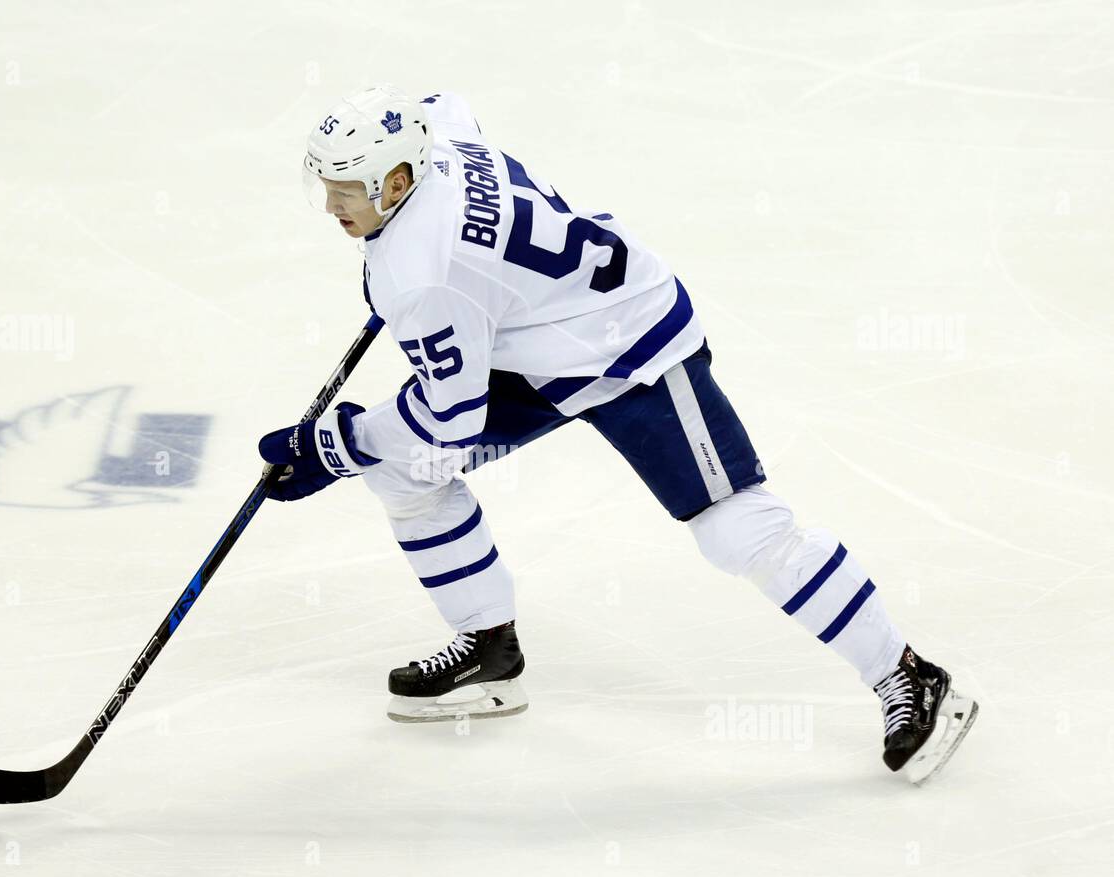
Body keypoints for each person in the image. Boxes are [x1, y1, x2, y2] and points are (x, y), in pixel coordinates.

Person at [258, 85, 977, 783]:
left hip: (634, 348)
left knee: (737, 528)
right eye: (325, 184)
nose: (331, 205)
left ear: (399, 178)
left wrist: (335, 444)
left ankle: (909, 673)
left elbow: (451, 416)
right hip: (541, 344)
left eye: (347, 188)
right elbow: (448, 103)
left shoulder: (424, 276)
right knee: (408, 470)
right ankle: (489, 649)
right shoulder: (436, 138)